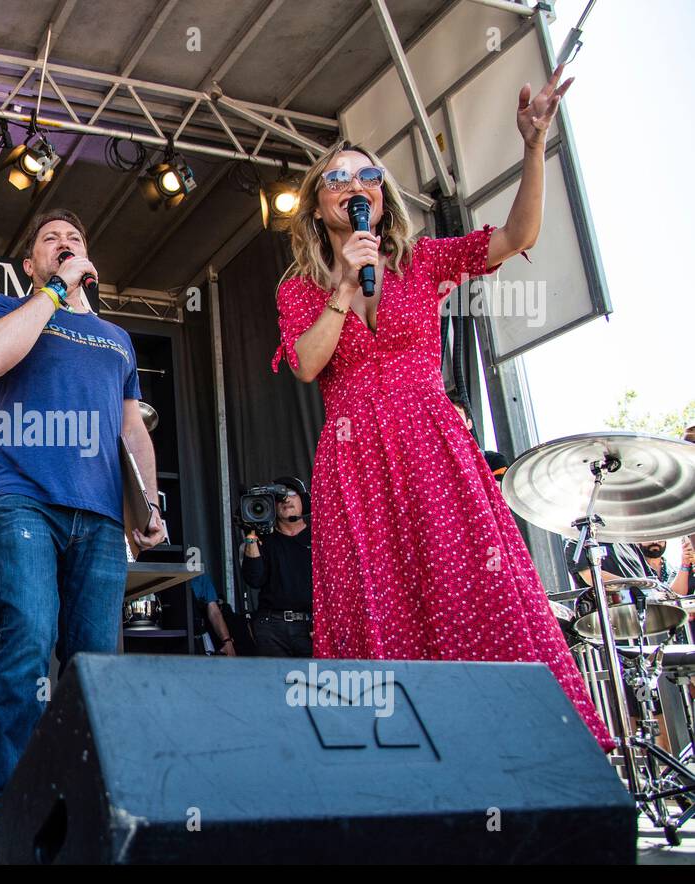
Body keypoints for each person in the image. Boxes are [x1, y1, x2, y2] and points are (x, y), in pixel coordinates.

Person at [269, 65, 612, 751]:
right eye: (337, 178)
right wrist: (342, 284)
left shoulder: (422, 263)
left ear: (382, 198)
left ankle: (516, 749)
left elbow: (514, 238)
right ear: (316, 206)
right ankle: (397, 769)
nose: (353, 185)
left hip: (430, 443)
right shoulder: (300, 289)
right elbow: (307, 363)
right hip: (354, 460)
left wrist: (533, 145)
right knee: (376, 603)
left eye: (366, 175)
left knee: (468, 591)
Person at [0, 209, 166, 857]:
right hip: (22, 496)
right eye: (50, 240)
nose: (64, 245)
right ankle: (5, 820)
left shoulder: (116, 339)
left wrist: (149, 501)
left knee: (94, 668)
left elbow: (133, 429)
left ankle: (82, 820)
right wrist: (54, 291)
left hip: (103, 514)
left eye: (74, 239)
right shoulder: (1, 308)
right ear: (31, 264)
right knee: (28, 640)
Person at [240, 477, 314, 657]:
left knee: (312, 683)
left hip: (310, 626)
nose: (286, 500)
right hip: (271, 627)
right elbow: (254, 579)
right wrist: (251, 534)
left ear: (304, 501)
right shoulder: (263, 541)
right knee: (273, 684)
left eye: (291, 494)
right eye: (279, 497)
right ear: (271, 506)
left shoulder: (319, 537)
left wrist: (325, 623)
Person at [447, 389, 509, 481]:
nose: (452, 419)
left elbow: (502, 491)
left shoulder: (494, 460)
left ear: (469, 424)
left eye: (457, 414)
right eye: (447, 415)